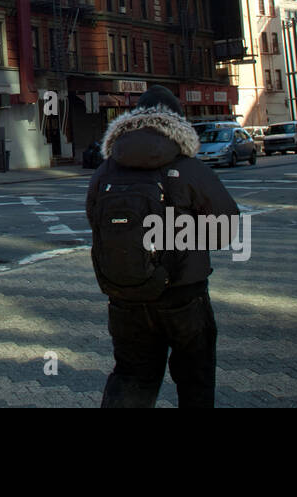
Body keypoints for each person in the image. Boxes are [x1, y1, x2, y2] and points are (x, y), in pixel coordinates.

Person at [85, 85, 240, 408]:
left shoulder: (105, 171)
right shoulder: (188, 168)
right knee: (195, 379)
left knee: (131, 378)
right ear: (177, 122)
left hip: (125, 293)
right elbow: (226, 226)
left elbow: (95, 222)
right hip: (184, 293)